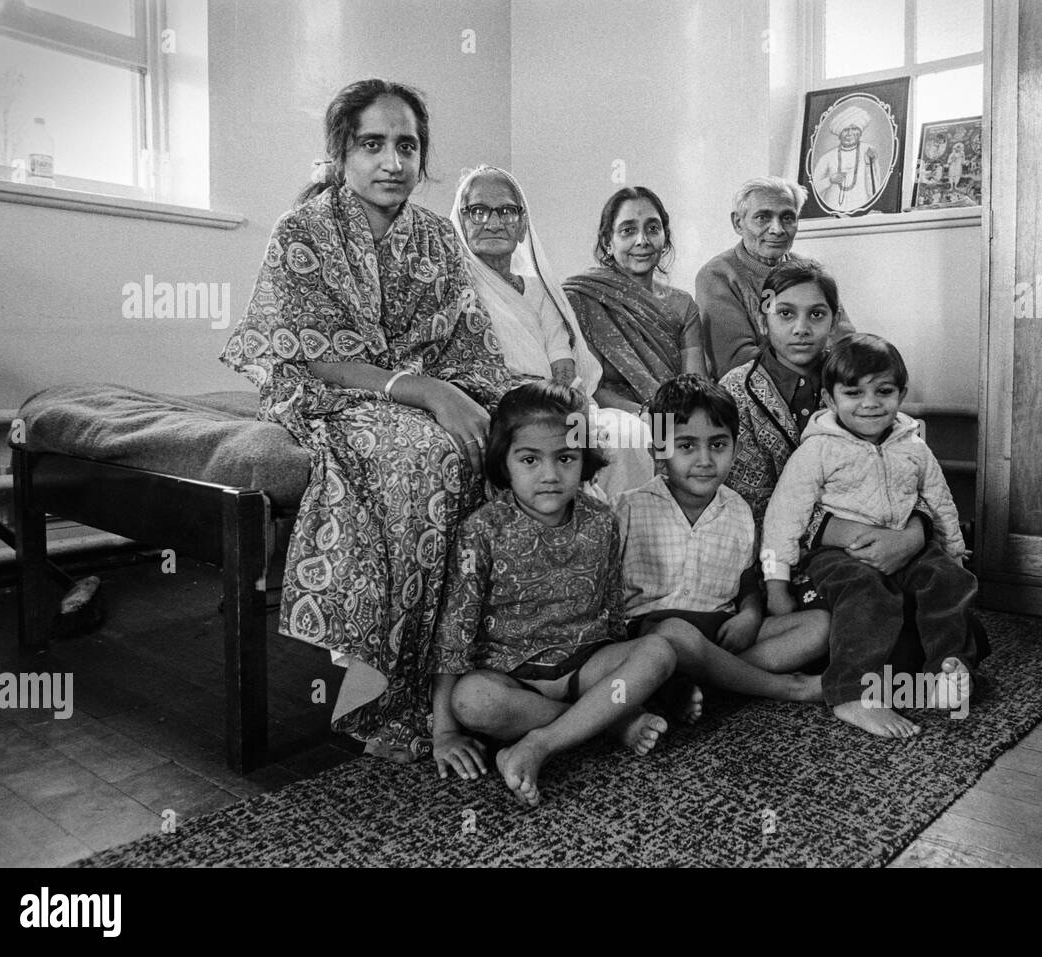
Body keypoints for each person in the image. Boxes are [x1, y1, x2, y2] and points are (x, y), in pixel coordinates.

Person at [219, 79, 511, 762]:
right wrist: (426, 392)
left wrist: (472, 395)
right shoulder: (304, 232)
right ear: (341, 153)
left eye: (406, 145)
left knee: (524, 437)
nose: (392, 161)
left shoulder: (437, 237)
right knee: (426, 455)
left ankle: (500, 661)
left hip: (427, 383)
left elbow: (469, 345)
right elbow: (314, 357)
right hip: (329, 392)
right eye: (372, 144)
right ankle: (379, 690)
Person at [430, 382, 676, 807]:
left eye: (565, 458)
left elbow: (612, 610)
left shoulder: (601, 520)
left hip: (586, 666)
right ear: (504, 464)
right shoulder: (482, 530)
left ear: (584, 461)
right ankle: (608, 723)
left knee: (659, 653)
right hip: (514, 683)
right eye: (529, 459)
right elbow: (455, 628)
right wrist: (444, 730)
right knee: (471, 701)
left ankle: (540, 744)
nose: (549, 474)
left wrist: (622, 678)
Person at [760, 334, 978, 738]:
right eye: (853, 393)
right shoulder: (817, 451)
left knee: (950, 581)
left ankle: (945, 673)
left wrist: (954, 551)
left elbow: (941, 501)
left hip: (909, 545)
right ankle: (852, 693)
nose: (870, 403)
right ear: (829, 399)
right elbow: (784, 517)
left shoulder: (913, 447)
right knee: (867, 593)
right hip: (839, 556)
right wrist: (776, 584)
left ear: (902, 393)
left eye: (884, 391)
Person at [719, 259, 931, 671]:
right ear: (765, 315)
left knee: (938, 613)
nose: (801, 328)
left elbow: (912, 467)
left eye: (817, 314)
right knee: (864, 633)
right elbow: (751, 506)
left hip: (884, 532)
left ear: (834, 320)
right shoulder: (736, 392)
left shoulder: (857, 376)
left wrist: (913, 534)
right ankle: (732, 669)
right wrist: (841, 533)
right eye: (786, 314)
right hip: (786, 556)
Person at [613, 375, 824, 721]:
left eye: (717, 445)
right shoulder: (629, 508)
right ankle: (783, 687)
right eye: (686, 446)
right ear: (658, 449)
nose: (704, 460)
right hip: (656, 633)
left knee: (818, 625)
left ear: (735, 450)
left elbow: (746, 582)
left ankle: (704, 681)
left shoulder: (739, 511)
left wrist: (750, 616)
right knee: (674, 635)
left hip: (719, 630)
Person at [449, 165, 654, 498]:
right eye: (478, 211)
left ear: (522, 226)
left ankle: (620, 539)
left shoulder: (538, 288)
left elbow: (563, 363)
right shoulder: (452, 287)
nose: (494, 222)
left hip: (557, 402)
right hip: (498, 408)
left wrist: (566, 412)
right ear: (461, 221)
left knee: (628, 433)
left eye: (506, 211)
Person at [563, 187, 707, 415]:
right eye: (628, 230)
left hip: (676, 423)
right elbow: (589, 387)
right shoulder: (583, 298)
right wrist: (646, 417)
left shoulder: (682, 305)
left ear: (665, 237)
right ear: (607, 241)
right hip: (611, 424)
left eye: (652, 229)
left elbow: (695, 387)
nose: (642, 240)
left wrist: (674, 425)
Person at [694, 176, 853, 378]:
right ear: (738, 223)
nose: (777, 230)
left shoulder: (811, 273)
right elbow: (735, 361)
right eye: (762, 218)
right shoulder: (717, 275)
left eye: (787, 218)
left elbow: (846, 345)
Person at [812, 105, 880, 214]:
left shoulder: (868, 150)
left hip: (861, 210)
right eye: (845, 130)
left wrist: (869, 165)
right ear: (839, 134)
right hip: (832, 212)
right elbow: (812, 190)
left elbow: (875, 190)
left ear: (860, 132)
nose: (849, 134)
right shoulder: (827, 157)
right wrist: (829, 180)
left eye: (854, 129)